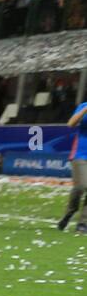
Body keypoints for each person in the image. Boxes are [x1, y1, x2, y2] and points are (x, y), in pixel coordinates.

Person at [59, 97, 87, 230]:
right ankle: (70, 212)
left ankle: (83, 223)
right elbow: (71, 124)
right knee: (81, 186)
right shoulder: (84, 106)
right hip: (81, 154)